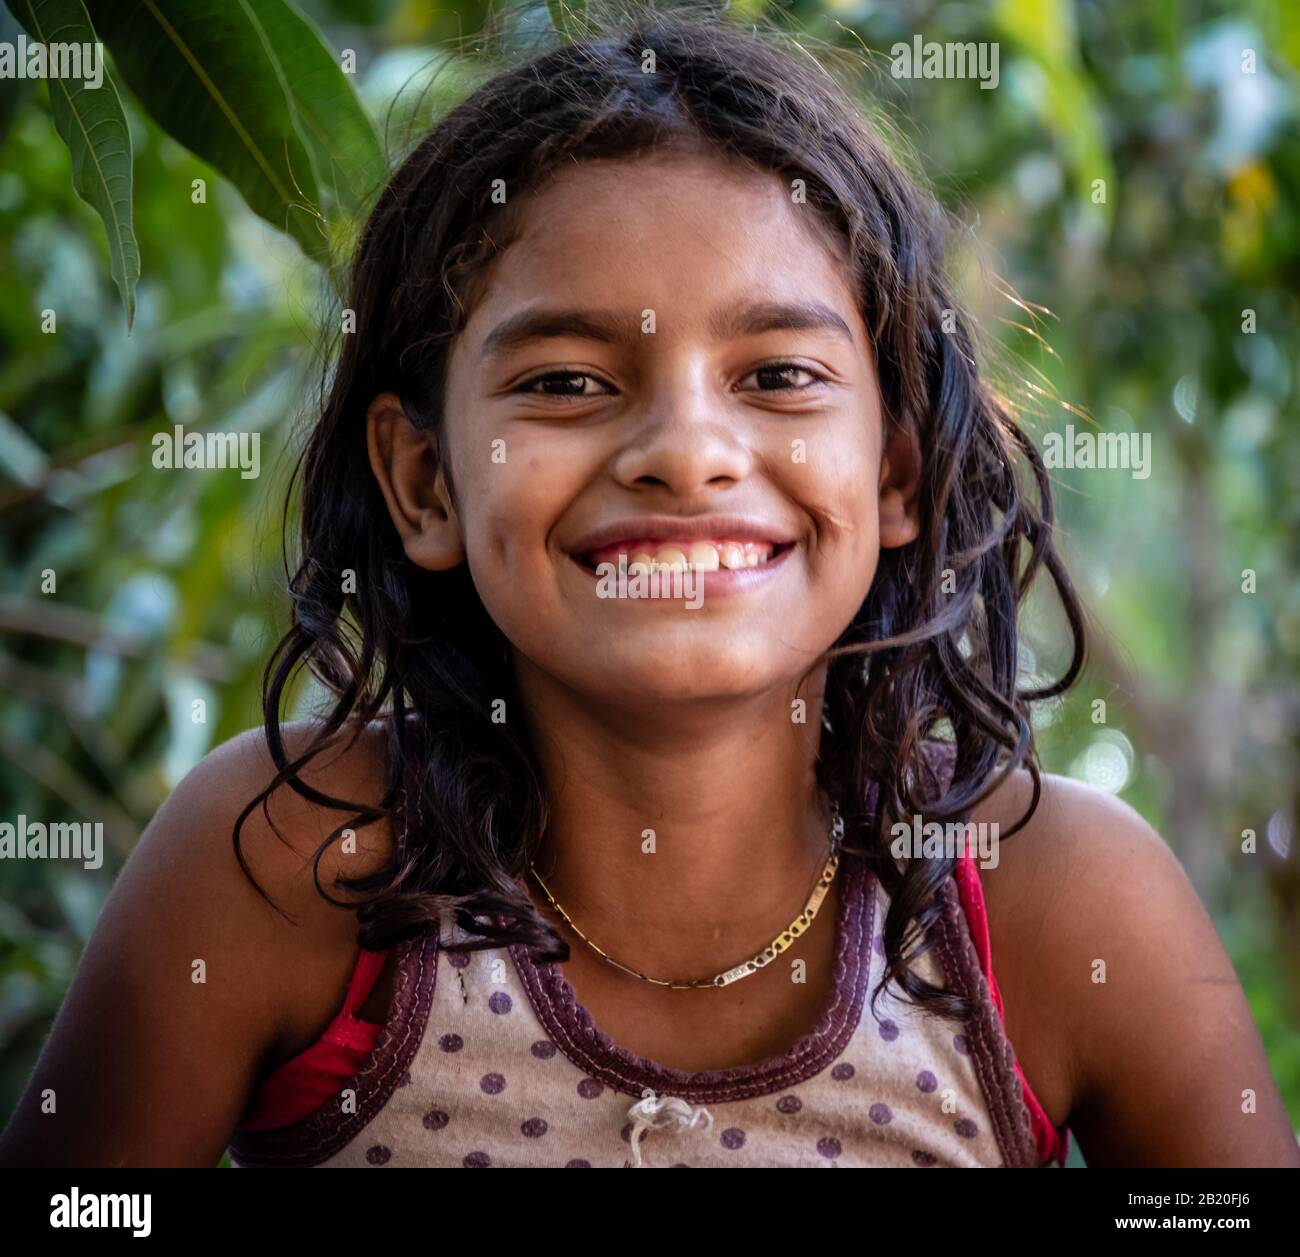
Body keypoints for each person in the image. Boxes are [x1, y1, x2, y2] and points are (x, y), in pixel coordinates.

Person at [3, 6, 1296, 1169]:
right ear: (426, 484)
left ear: (896, 472)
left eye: (779, 375)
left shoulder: (1042, 893)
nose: (684, 450)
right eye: (565, 381)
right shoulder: (294, 856)